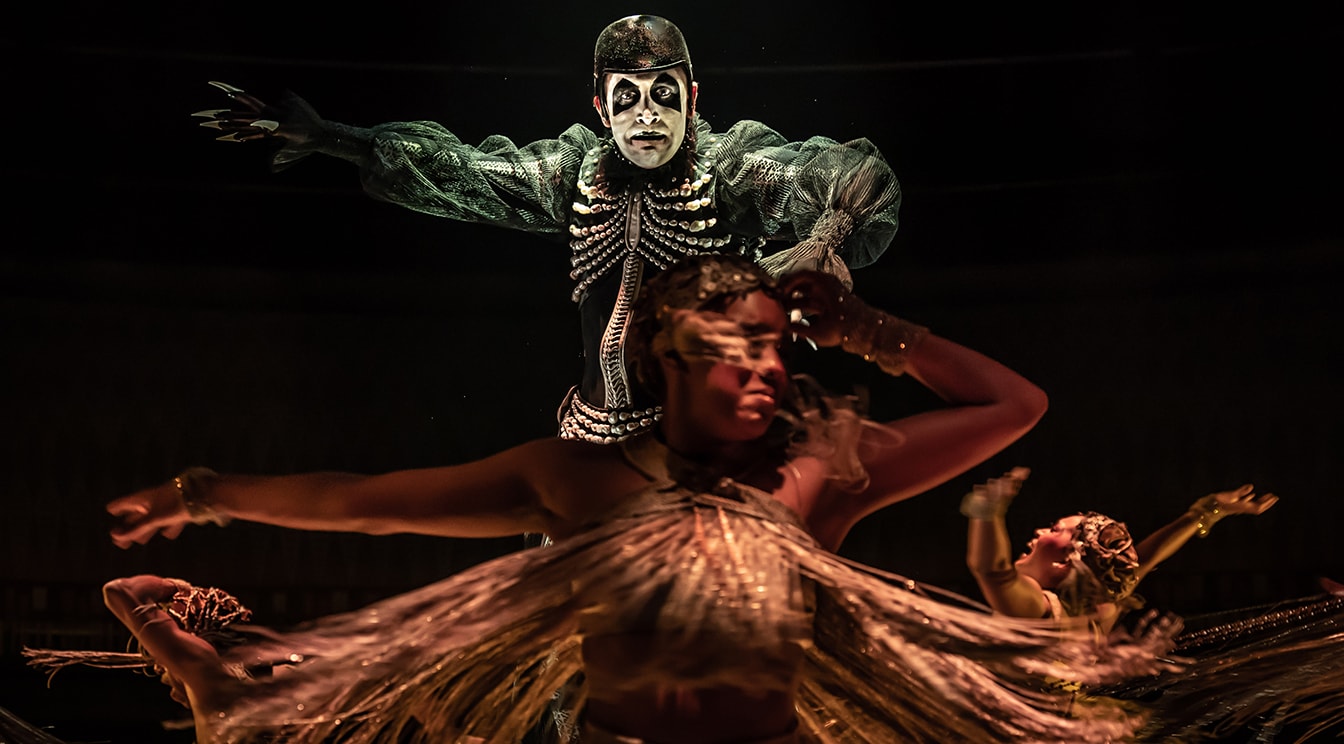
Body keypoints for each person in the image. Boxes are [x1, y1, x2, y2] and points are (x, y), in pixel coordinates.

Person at [105, 255, 1171, 742]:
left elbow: (1013, 404)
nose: (765, 366)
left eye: (773, 345)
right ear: (667, 356)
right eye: (733, 346)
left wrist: (863, 329)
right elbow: (363, 503)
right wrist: (204, 493)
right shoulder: (574, 478)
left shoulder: (815, 474)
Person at [194, 14, 902, 444]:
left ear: (691, 98)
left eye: (664, 95)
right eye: (627, 97)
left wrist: (820, 244)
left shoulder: (731, 170)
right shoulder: (577, 173)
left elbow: (859, 179)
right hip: (589, 436)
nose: (647, 114)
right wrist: (332, 137)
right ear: (600, 105)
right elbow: (463, 172)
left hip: (696, 447)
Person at [962, 467, 1279, 632]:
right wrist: (1206, 512)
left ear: (1065, 565)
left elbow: (994, 573)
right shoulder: (1100, 609)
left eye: (1055, 530)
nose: (1039, 531)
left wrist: (987, 513)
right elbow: (1143, 561)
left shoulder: (1041, 610)